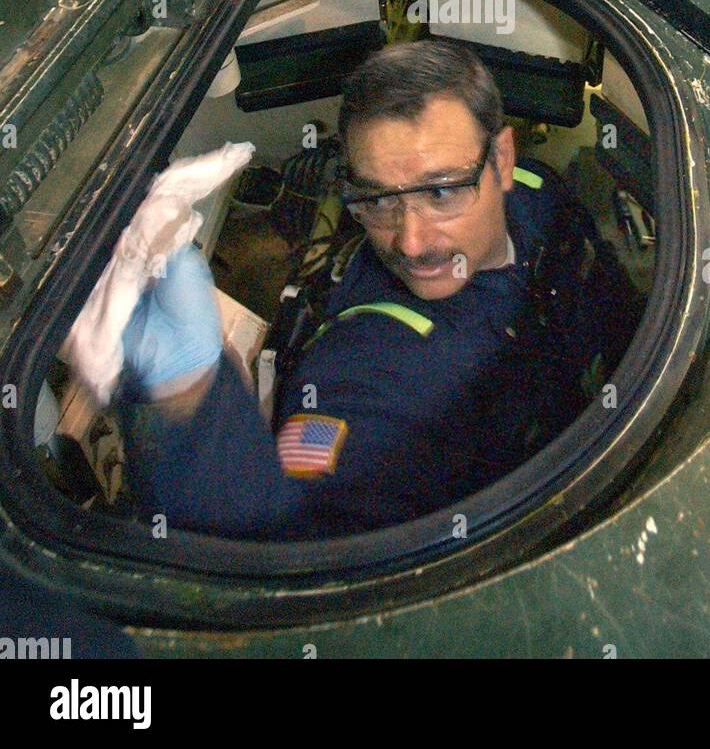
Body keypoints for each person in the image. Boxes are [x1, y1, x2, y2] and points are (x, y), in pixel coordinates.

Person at [118, 42, 642, 539]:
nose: (411, 244)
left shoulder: (536, 191)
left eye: (442, 191)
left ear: (503, 160)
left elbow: (603, 283)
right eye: (377, 200)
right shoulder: (363, 370)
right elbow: (305, 546)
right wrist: (187, 409)